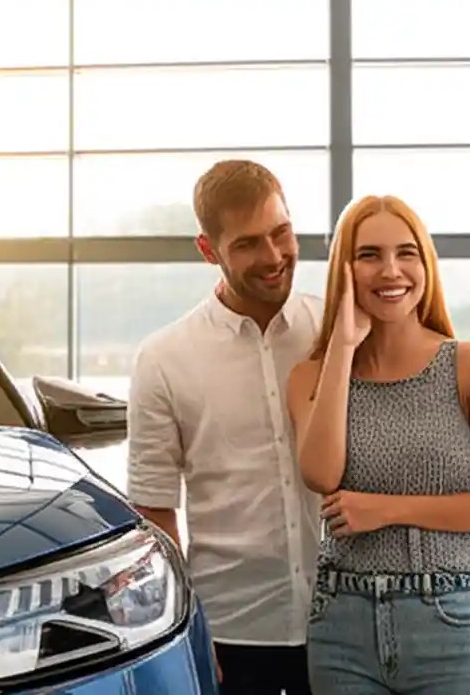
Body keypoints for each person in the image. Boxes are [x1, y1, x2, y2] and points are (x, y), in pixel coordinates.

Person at [286, 194, 470, 694]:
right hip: (341, 623)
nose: (391, 270)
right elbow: (321, 474)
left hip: (450, 620)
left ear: (426, 263)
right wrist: (344, 346)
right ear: (345, 270)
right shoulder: (311, 375)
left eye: (406, 253)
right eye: (369, 255)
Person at [126, 159, 322, 695]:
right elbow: (153, 510)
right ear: (208, 251)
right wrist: (183, 626)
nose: (274, 257)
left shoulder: (334, 334)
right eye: (248, 244)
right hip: (229, 633)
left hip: (341, 627)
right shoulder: (163, 359)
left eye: (281, 233)